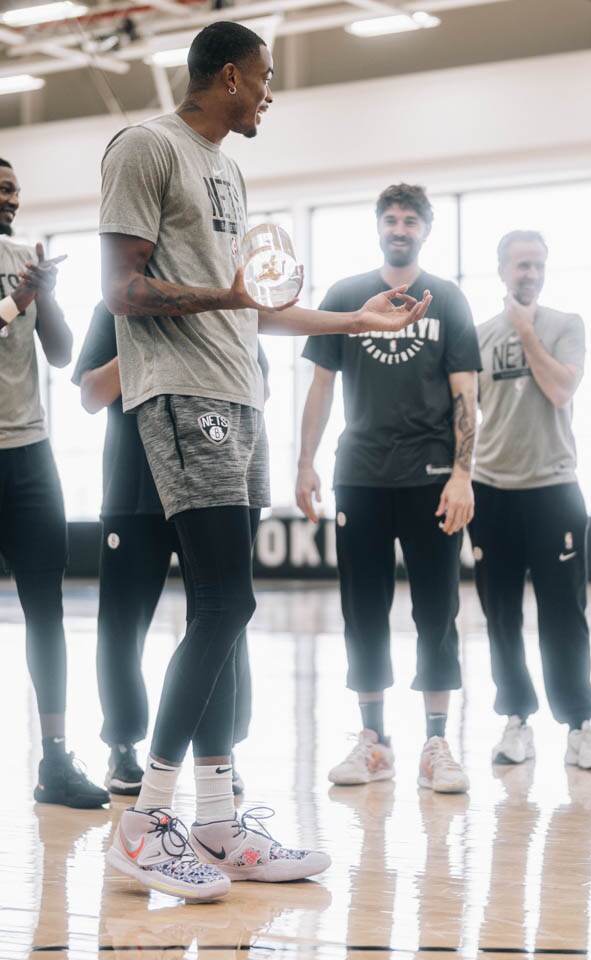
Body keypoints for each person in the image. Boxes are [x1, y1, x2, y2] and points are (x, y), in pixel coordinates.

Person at [99, 22, 433, 901]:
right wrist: (226, 293)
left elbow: (253, 309)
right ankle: (145, 823)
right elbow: (123, 291)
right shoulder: (145, 147)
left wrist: (358, 321)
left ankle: (216, 820)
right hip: (183, 398)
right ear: (229, 76)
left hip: (241, 398)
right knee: (226, 601)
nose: (270, 93)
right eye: (264, 77)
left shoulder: (228, 169)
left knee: (228, 608)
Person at [297, 183, 479, 795]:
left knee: (437, 611)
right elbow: (321, 386)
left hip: (431, 478)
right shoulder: (346, 297)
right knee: (364, 610)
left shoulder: (446, 299)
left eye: (410, 220)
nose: (400, 228)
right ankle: (373, 741)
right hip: (360, 475)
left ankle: (436, 743)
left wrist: (462, 473)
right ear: (379, 225)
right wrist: (305, 463)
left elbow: (465, 392)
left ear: (425, 230)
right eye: (392, 219)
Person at [72, 301, 271, 796]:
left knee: (224, 616)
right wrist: (150, 343)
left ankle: (219, 751)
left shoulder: (224, 307)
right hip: (135, 491)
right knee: (122, 626)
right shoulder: (116, 308)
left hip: (212, 484)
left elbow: (258, 385)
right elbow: (92, 395)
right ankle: (122, 746)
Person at [469, 230, 591, 771]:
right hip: (492, 490)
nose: (530, 273)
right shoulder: (478, 336)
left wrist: (526, 333)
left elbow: (560, 389)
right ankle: (515, 720)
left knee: (564, 615)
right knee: (501, 615)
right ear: (502, 270)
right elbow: (464, 413)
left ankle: (579, 726)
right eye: (521, 265)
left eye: (538, 265)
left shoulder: (565, 325)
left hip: (554, 488)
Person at [0, 158, 108, 810]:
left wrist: (45, 295)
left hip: (29, 454)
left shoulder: (23, 258)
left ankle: (56, 761)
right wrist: (17, 299)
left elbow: (63, 353)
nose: (9, 197)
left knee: (47, 608)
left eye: (13, 188)